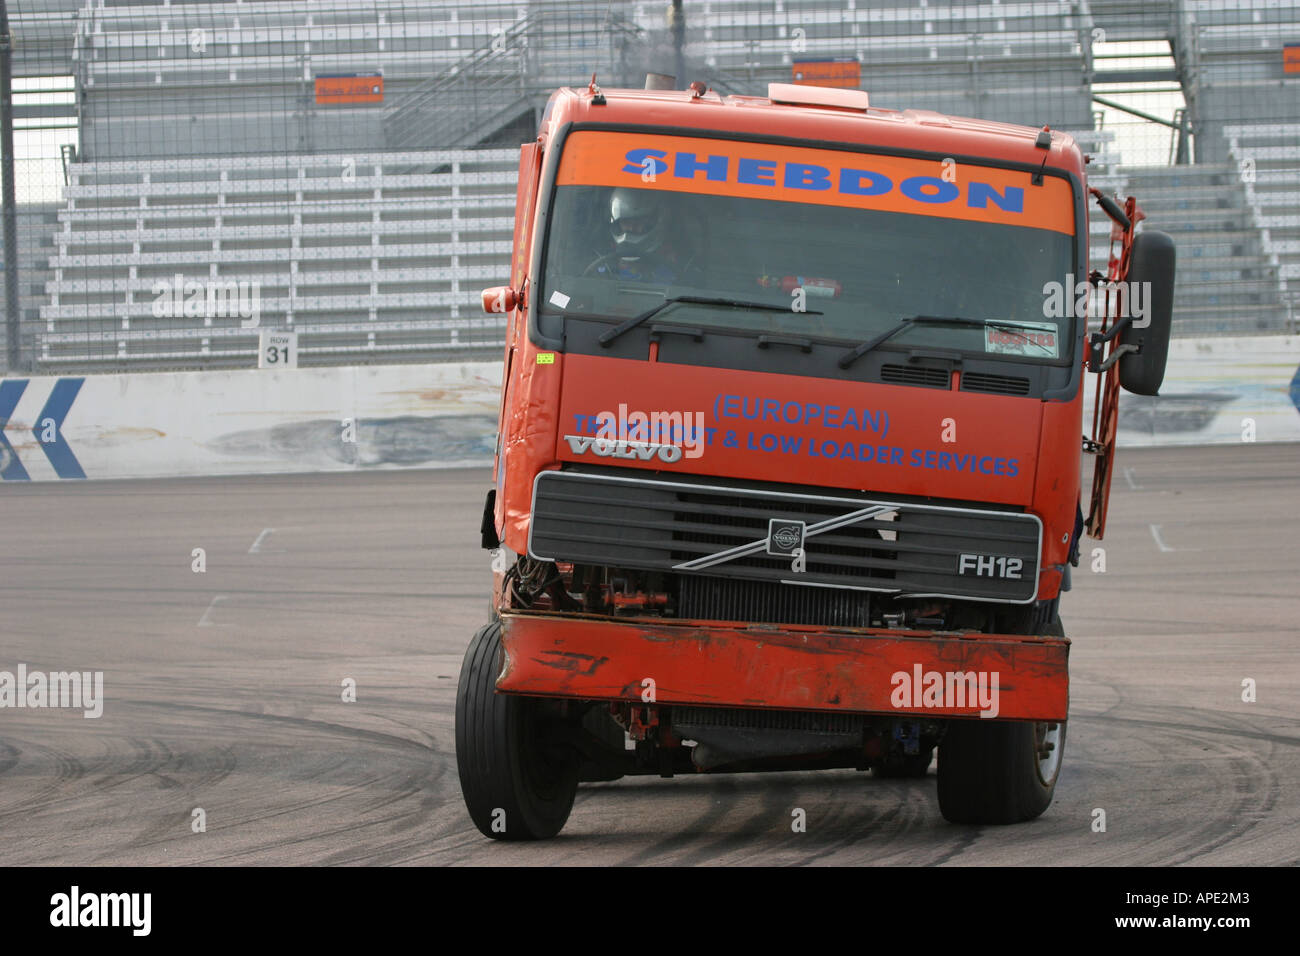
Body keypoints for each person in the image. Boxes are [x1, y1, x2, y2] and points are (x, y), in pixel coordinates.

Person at [588, 187, 699, 284]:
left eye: (638, 221)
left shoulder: (675, 258)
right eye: (626, 221)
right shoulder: (600, 254)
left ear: (654, 220)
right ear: (616, 222)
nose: (631, 228)